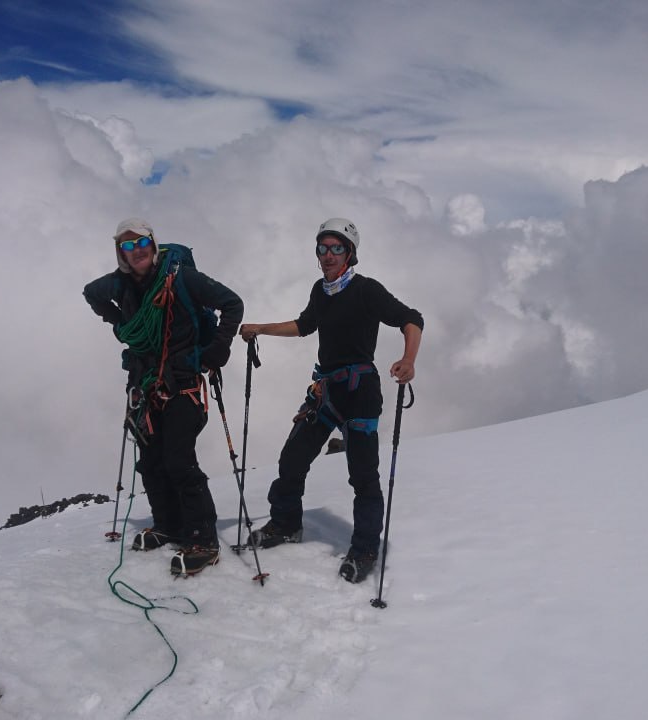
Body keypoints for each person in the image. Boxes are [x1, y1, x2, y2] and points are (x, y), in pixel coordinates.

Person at [239, 217, 423, 583]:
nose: (328, 255)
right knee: (292, 459)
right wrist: (262, 328)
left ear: (350, 253)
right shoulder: (320, 291)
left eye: (336, 248)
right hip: (326, 391)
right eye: (322, 248)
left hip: (360, 392)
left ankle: (366, 547)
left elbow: (410, 319)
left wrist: (409, 360)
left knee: (363, 475)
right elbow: (306, 324)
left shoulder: (366, 290)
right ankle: (287, 523)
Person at [84, 218, 244, 576]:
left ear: (153, 245)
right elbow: (90, 292)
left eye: (141, 243)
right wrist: (121, 323)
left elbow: (232, 303)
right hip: (144, 383)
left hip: (182, 381)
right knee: (151, 462)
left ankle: (203, 538)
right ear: (119, 253)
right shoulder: (120, 283)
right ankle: (168, 524)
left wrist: (218, 347)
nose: (136, 251)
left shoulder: (182, 278)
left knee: (178, 461)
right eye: (127, 246)